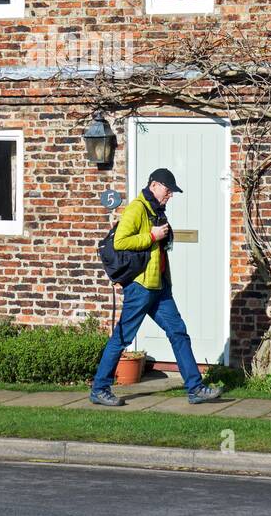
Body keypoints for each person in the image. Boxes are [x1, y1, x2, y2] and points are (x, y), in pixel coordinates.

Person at [89, 168, 223, 406]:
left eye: (171, 192)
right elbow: (120, 242)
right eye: (168, 190)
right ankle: (99, 388)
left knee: (178, 332)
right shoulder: (137, 208)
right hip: (140, 287)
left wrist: (163, 236)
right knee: (123, 337)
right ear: (154, 185)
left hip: (159, 286)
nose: (169, 195)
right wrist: (151, 236)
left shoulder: (156, 209)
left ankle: (195, 388)